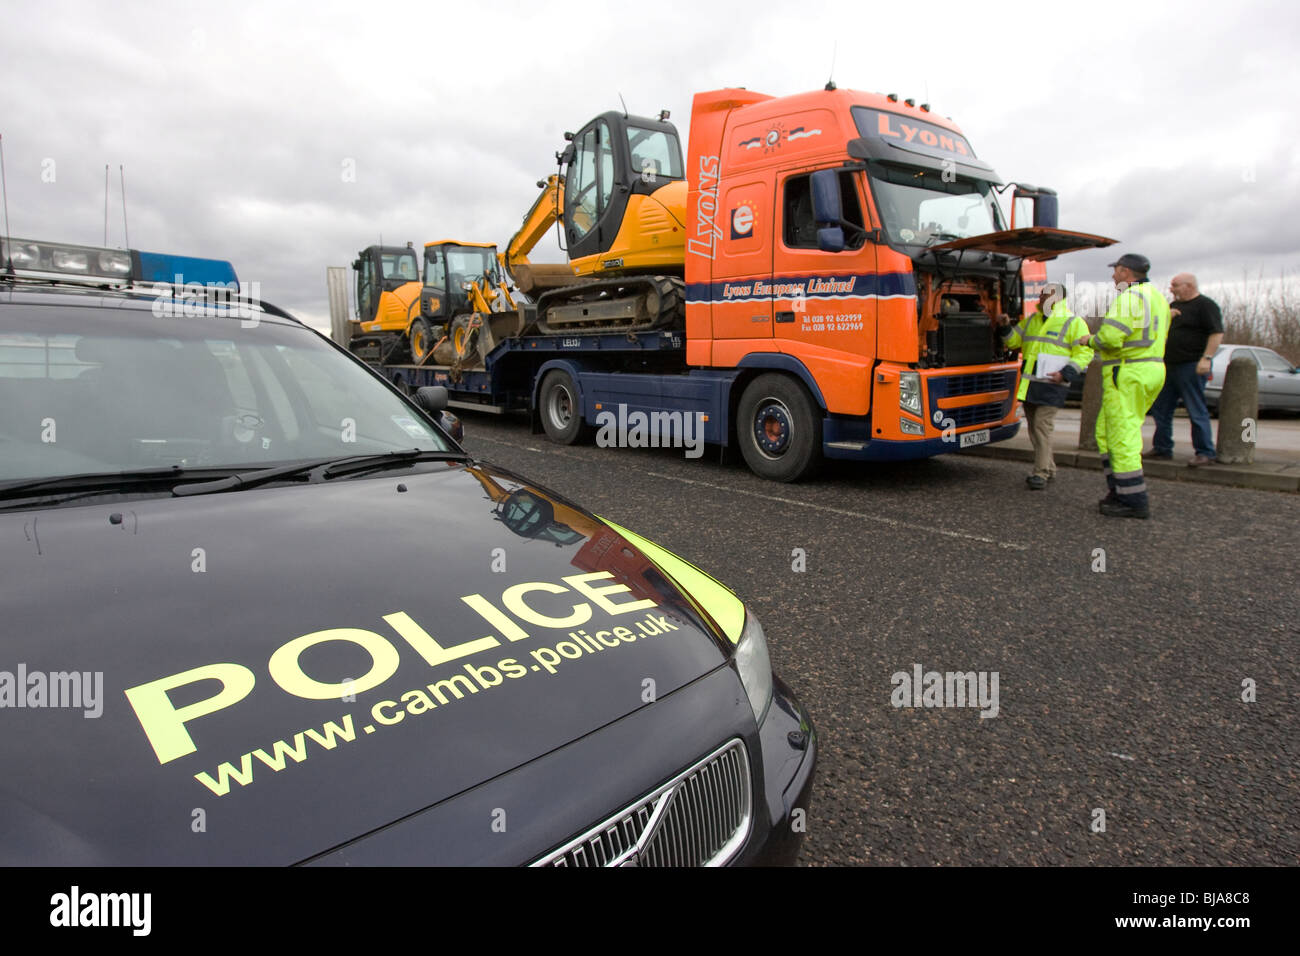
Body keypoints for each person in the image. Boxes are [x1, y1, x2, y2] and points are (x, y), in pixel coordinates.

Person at [1075, 253, 1170, 519]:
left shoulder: (1129, 298)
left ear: (1126, 272)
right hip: (1149, 369)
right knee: (1108, 431)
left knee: (1122, 435)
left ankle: (1134, 500)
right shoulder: (1156, 296)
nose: (1113, 275)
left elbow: (1110, 339)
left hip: (1128, 372)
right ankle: (1119, 491)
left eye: (1115, 270)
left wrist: (1088, 340)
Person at [1000, 283, 1093, 489]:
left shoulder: (1073, 322)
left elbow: (1084, 353)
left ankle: (1040, 473)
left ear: (1058, 298)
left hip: (1053, 385)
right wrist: (1006, 326)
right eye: (1041, 295)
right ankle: (1048, 467)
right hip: (1031, 385)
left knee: (1042, 428)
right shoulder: (1032, 320)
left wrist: (1065, 374)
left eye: (1046, 295)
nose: (1041, 298)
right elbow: (1014, 342)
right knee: (1035, 430)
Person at [1145, 273, 1223, 466]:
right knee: (1161, 408)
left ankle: (1205, 452)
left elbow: (1216, 333)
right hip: (1168, 365)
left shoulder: (1205, 305)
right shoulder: (1172, 307)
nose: (1171, 289)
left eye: (1175, 285)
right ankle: (1162, 448)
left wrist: (1206, 358)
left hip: (1191, 364)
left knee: (1195, 409)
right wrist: (1166, 318)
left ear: (1189, 286)